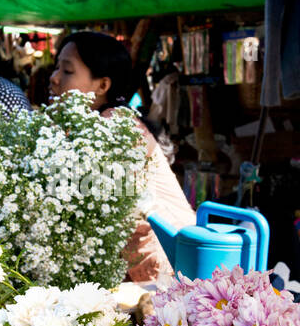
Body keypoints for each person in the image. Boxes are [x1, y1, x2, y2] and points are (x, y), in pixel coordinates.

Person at [49, 30, 196, 283]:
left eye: (67, 71)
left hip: (168, 265)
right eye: (56, 68)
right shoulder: (88, 124)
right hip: (138, 265)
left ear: (103, 85)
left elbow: (91, 199)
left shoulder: (116, 125)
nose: (54, 78)